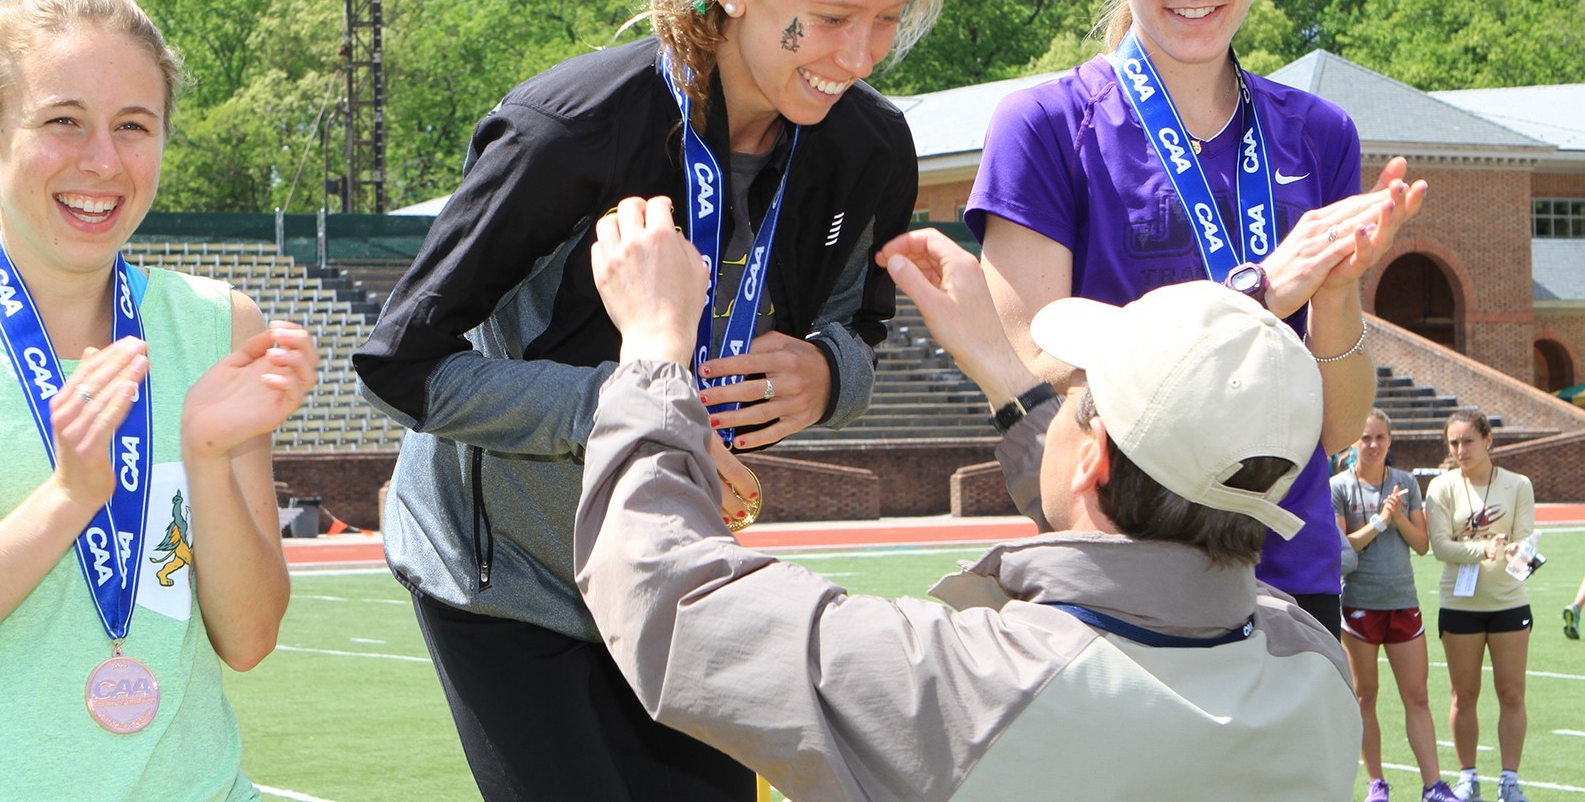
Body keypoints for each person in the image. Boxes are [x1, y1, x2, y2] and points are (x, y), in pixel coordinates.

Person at [353, 0, 941, 801]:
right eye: (834, 16)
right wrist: (627, 406)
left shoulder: (869, 147)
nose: (863, 53)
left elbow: (862, 325)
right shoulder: (566, 132)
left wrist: (828, 375)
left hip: (681, 569)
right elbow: (401, 363)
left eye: (890, 18)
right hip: (509, 582)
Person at [572, 202, 1359, 799]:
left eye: (1076, 393)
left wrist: (652, 348)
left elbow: (668, 595)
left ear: (1091, 458)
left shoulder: (964, 685)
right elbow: (1142, 541)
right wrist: (1003, 375)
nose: (1063, 400)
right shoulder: (1313, 669)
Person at [0, 0, 317, 802]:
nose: (102, 162)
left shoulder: (217, 324)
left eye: (134, 126)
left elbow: (251, 636)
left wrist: (205, 453)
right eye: (62, 122)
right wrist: (68, 497)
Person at [965, 0, 1427, 638]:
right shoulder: (1042, 127)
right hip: (1117, 575)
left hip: (1289, 570)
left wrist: (1339, 290)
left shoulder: (1319, 134)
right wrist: (1258, 292)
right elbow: (1038, 369)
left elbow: (1337, 427)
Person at [1335, 409, 1456, 802]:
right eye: (1365, 438)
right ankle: (1377, 783)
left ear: (1390, 441)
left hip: (1403, 602)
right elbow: (1344, 546)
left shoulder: (1405, 483)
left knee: (1416, 695)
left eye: (1379, 438)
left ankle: (1433, 785)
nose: (1372, 445)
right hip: (1358, 605)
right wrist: (1381, 521)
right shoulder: (1338, 487)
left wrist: (1399, 517)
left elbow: (1422, 545)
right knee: (1365, 697)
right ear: (1354, 442)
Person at [1426, 410, 1536, 802]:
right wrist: (1481, 547)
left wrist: (1520, 553)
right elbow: (1440, 546)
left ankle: (1509, 779)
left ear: (1488, 440)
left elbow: (1524, 538)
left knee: (1511, 692)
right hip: (1459, 603)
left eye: (1468, 440)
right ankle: (1468, 777)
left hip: (1509, 602)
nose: (1460, 450)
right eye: (1453, 443)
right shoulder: (1441, 487)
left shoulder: (1518, 484)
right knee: (1463, 694)